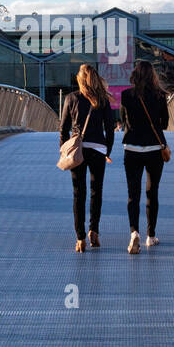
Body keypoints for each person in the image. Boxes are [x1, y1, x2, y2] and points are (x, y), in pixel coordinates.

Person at [60, 63, 116, 252]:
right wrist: (107, 150)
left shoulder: (71, 98)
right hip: (98, 149)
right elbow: (110, 128)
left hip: (78, 150)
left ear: (79, 79)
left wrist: (64, 150)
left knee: (78, 193)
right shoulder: (103, 99)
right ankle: (94, 231)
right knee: (96, 191)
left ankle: (80, 238)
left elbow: (63, 128)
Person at [118, 60, 170, 254]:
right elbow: (164, 123)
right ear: (152, 76)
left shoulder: (126, 95)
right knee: (152, 192)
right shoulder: (160, 96)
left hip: (132, 148)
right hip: (154, 149)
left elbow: (124, 121)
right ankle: (151, 235)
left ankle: (134, 233)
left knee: (133, 194)